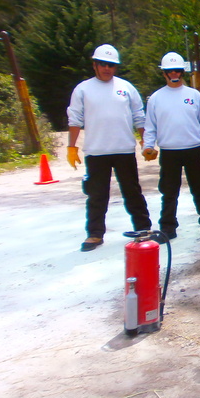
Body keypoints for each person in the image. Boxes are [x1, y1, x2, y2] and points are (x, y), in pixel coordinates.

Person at [66, 44, 152, 251]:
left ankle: (143, 228)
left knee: (132, 191)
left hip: (123, 149)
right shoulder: (83, 89)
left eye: (111, 65)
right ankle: (94, 234)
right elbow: (75, 118)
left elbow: (139, 116)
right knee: (97, 194)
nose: (107, 68)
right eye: (103, 64)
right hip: (97, 151)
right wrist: (71, 147)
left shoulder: (126, 88)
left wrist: (145, 142)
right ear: (95, 65)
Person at [142, 52, 200, 240]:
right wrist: (148, 146)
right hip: (169, 152)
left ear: (182, 72)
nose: (174, 74)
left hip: (193, 150)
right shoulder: (156, 98)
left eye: (177, 70)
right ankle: (168, 228)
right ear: (164, 73)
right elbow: (150, 127)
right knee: (169, 192)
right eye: (170, 71)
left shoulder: (194, 96)